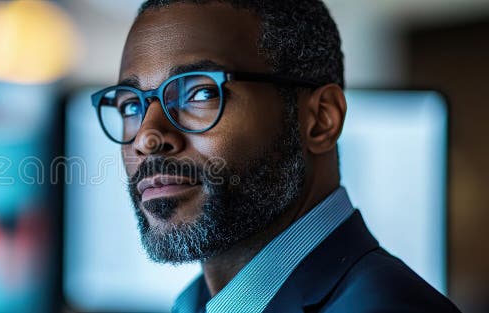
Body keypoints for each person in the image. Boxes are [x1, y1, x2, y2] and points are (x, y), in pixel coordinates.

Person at [89, 0, 461, 312]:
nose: (148, 138)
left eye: (200, 94)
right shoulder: (195, 303)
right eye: (129, 105)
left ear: (320, 120)